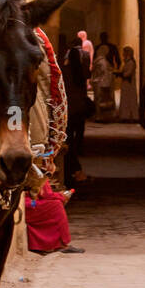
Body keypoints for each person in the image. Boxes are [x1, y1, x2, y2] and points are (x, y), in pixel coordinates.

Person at [24, 179, 84, 254]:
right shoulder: (39, 175)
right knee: (56, 205)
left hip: (28, 203)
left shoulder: (36, 172)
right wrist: (61, 196)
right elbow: (46, 195)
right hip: (30, 204)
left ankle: (56, 244)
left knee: (55, 204)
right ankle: (60, 245)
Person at [62, 37, 89, 184]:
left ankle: (72, 169)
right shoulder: (81, 72)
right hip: (79, 108)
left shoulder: (65, 72)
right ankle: (78, 153)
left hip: (69, 109)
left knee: (67, 139)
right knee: (79, 132)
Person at [91, 47, 116, 122]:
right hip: (102, 83)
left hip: (97, 81)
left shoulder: (97, 61)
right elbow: (104, 73)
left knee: (98, 99)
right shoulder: (103, 62)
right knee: (102, 100)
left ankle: (98, 115)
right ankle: (101, 116)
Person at [116, 46, 140, 121]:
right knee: (125, 100)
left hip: (129, 85)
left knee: (129, 100)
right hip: (126, 84)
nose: (123, 54)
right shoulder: (127, 62)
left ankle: (130, 116)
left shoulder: (131, 63)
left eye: (124, 52)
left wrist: (120, 74)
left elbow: (128, 74)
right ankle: (125, 116)